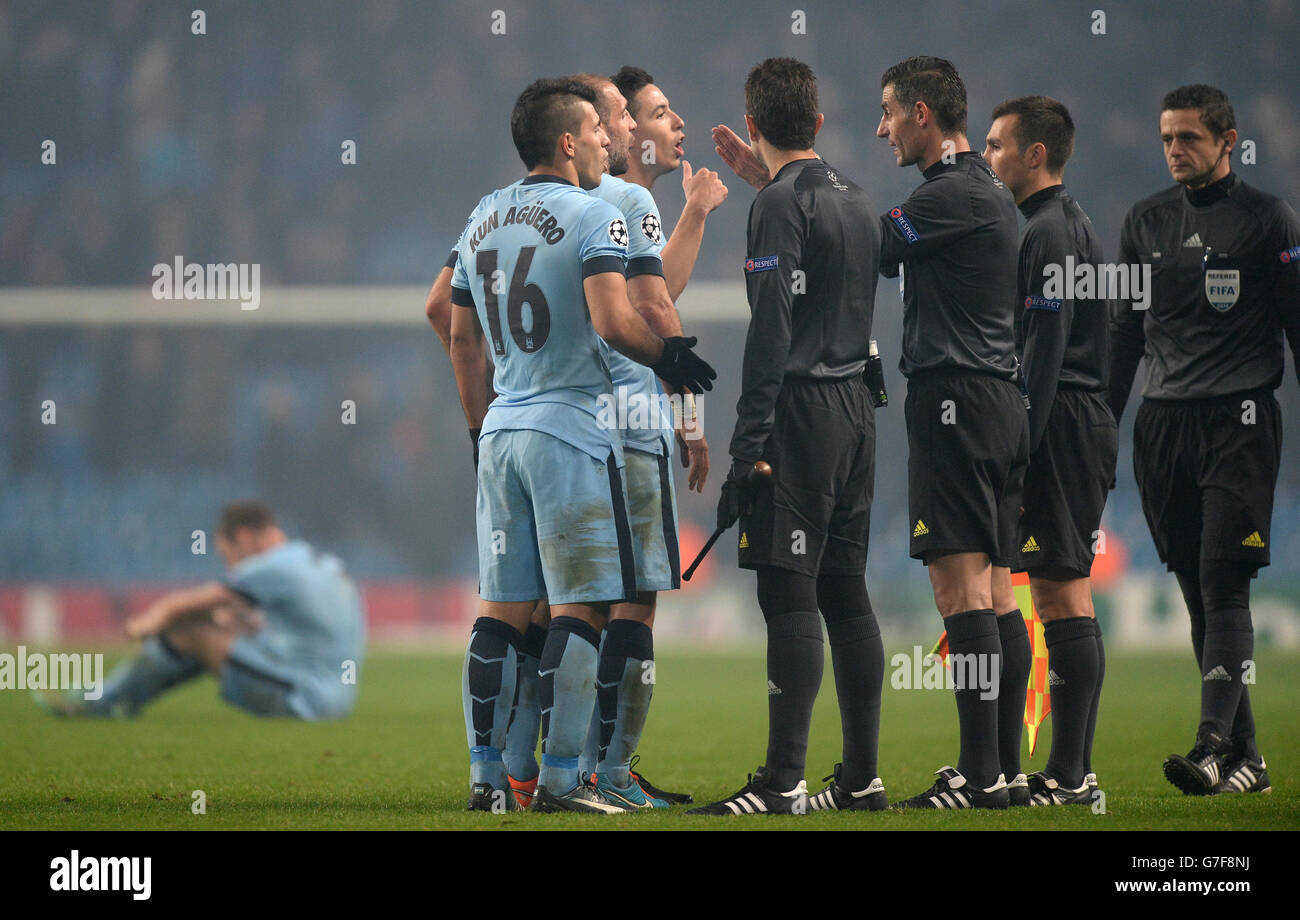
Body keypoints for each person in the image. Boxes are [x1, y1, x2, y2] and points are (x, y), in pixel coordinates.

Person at [447, 77, 715, 814]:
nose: (609, 140)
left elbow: (459, 332)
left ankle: (486, 777)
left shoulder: (481, 218)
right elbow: (613, 318)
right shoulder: (595, 215)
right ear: (568, 142)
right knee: (582, 609)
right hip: (573, 427)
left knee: (502, 612)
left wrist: (478, 426)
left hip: (503, 428)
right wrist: (672, 360)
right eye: (600, 129)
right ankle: (567, 779)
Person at [690, 57, 887, 816]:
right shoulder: (856, 196)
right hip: (856, 414)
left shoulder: (776, 206)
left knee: (788, 591)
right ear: (819, 123)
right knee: (845, 590)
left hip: (800, 416)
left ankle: (782, 782)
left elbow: (770, 329)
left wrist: (746, 447)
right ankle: (862, 777)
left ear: (750, 124)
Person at [1108, 84, 1300, 796]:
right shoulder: (1145, 221)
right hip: (1163, 425)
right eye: (1166, 138)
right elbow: (1126, 333)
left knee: (1225, 584)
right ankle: (1247, 761)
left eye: (1188, 137)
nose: (1175, 150)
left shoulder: (1268, 221)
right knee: (1197, 591)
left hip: (1240, 422)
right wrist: (1104, 421)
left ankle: (1213, 745)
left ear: (1228, 139)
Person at [875, 56, 1027, 809]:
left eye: (890, 113)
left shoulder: (948, 194)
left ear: (923, 114)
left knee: (957, 585)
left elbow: (867, 248)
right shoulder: (988, 190)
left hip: (955, 403)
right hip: (995, 400)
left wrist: (782, 187)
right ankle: (1004, 770)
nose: (883, 128)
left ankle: (980, 774)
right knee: (996, 589)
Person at [571, 70, 726, 809]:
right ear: (622, 126)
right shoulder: (628, 202)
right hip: (626, 422)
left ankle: (542, 768)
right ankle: (609, 772)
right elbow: (658, 303)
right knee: (632, 601)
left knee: (569, 604)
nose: (674, 124)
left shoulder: (563, 202)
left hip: (564, 427)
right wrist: (696, 212)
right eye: (659, 113)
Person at [983, 95, 1113, 806]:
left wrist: (1022, 442)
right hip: (1078, 417)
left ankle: (1070, 774)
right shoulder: (1071, 223)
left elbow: (1045, 348)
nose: (987, 155)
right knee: (1063, 589)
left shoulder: (1046, 230)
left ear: (1035, 154)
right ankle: (1073, 770)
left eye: (998, 145)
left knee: (1061, 590)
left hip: (1059, 422)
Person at [42, 501, 365, 721]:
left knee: (189, 630)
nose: (230, 566)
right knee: (217, 625)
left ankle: (103, 701)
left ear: (243, 537)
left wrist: (148, 622)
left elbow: (185, 604)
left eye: (228, 555)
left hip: (305, 699)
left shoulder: (271, 565)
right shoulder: (311, 559)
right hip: (335, 697)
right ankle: (118, 700)